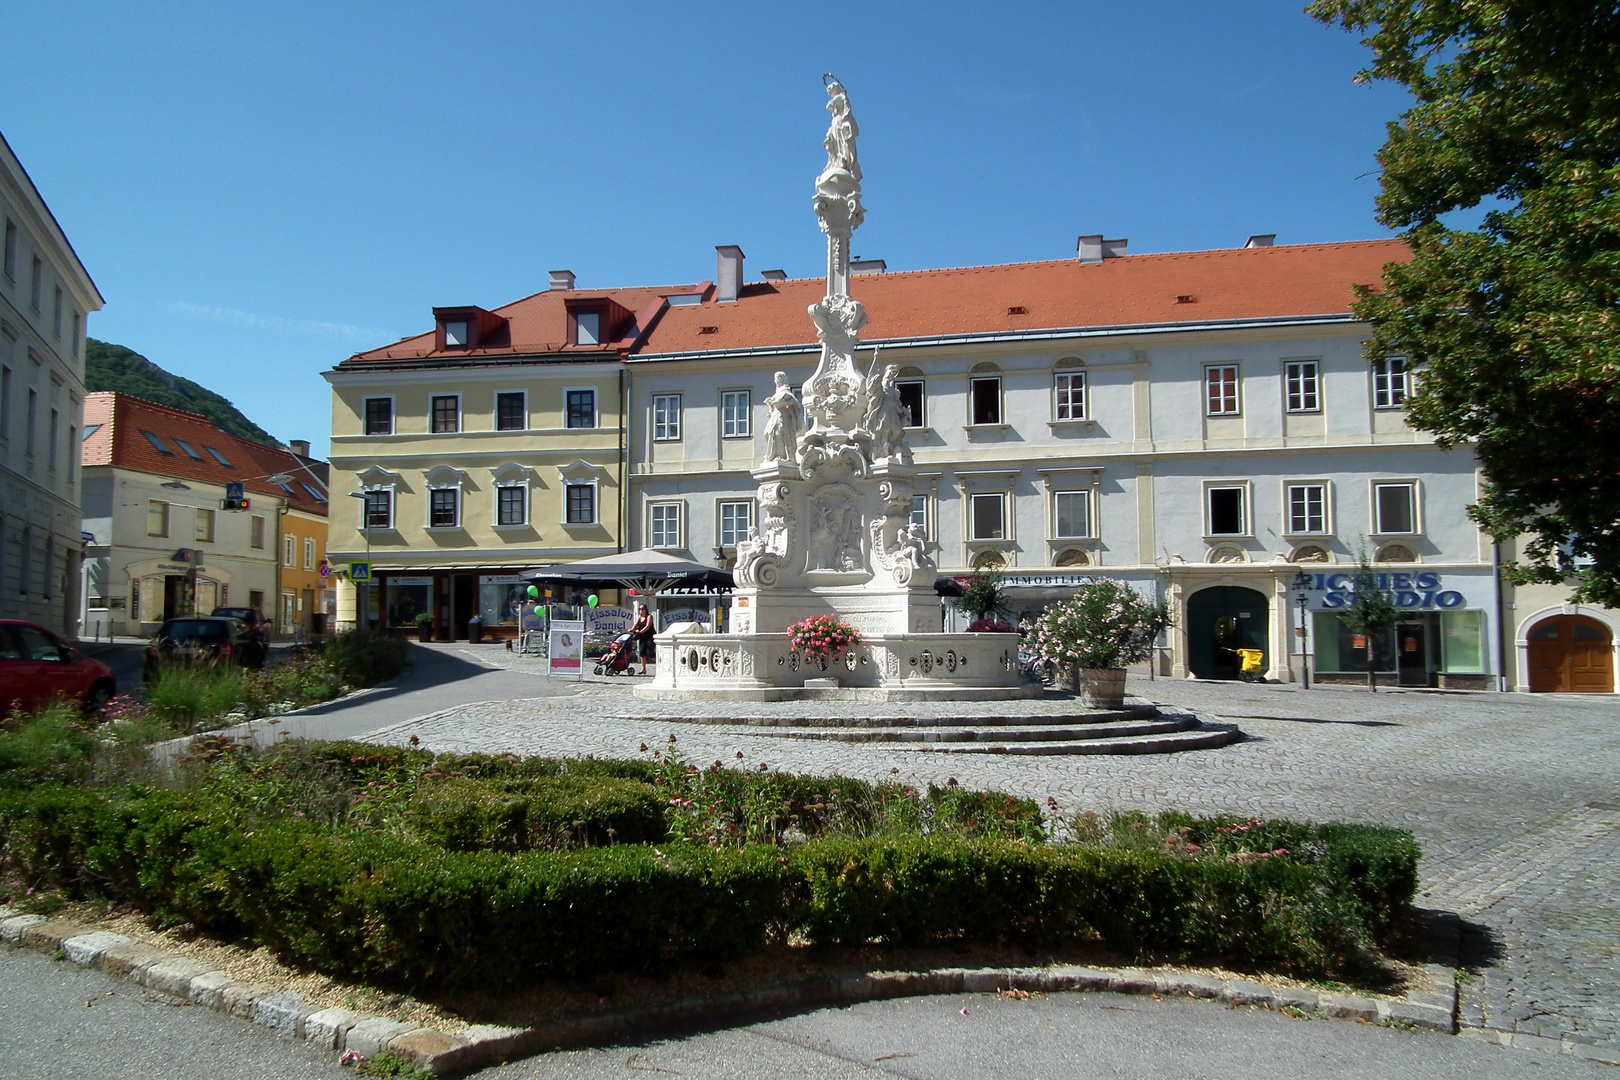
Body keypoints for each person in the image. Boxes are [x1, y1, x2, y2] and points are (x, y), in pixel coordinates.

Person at [630, 603, 656, 674]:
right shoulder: (639, 617)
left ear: (646, 610)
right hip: (642, 637)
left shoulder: (649, 617)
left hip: (650, 636)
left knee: (651, 654)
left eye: (642, 609)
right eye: (639, 609)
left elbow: (647, 626)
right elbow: (635, 624)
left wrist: (640, 631)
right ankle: (643, 669)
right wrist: (632, 629)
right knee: (642, 652)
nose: (641, 611)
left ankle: (660, 666)